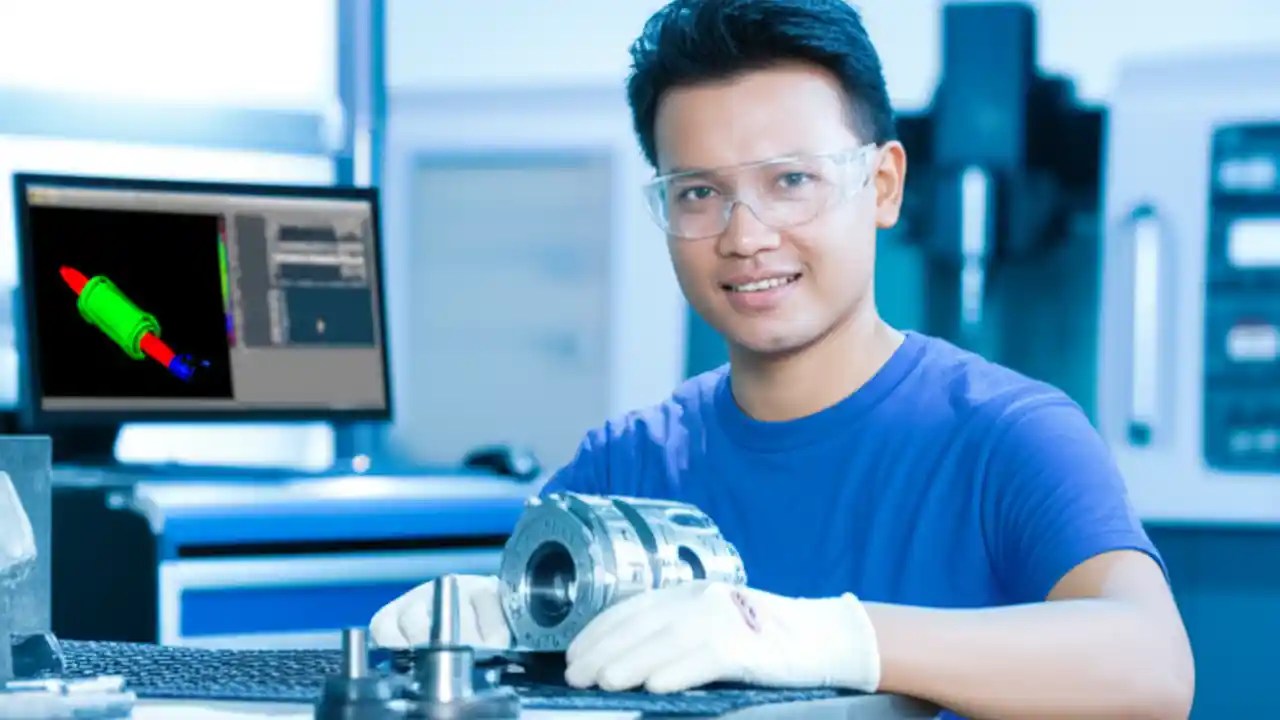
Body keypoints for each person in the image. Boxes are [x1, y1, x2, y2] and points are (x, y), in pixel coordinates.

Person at [371, 0, 1196, 717]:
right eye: (698, 191)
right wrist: (490, 634)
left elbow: (1151, 667)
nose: (744, 236)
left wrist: (818, 636)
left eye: (791, 181)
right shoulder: (624, 465)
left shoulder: (1007, 439)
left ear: (883, 186)